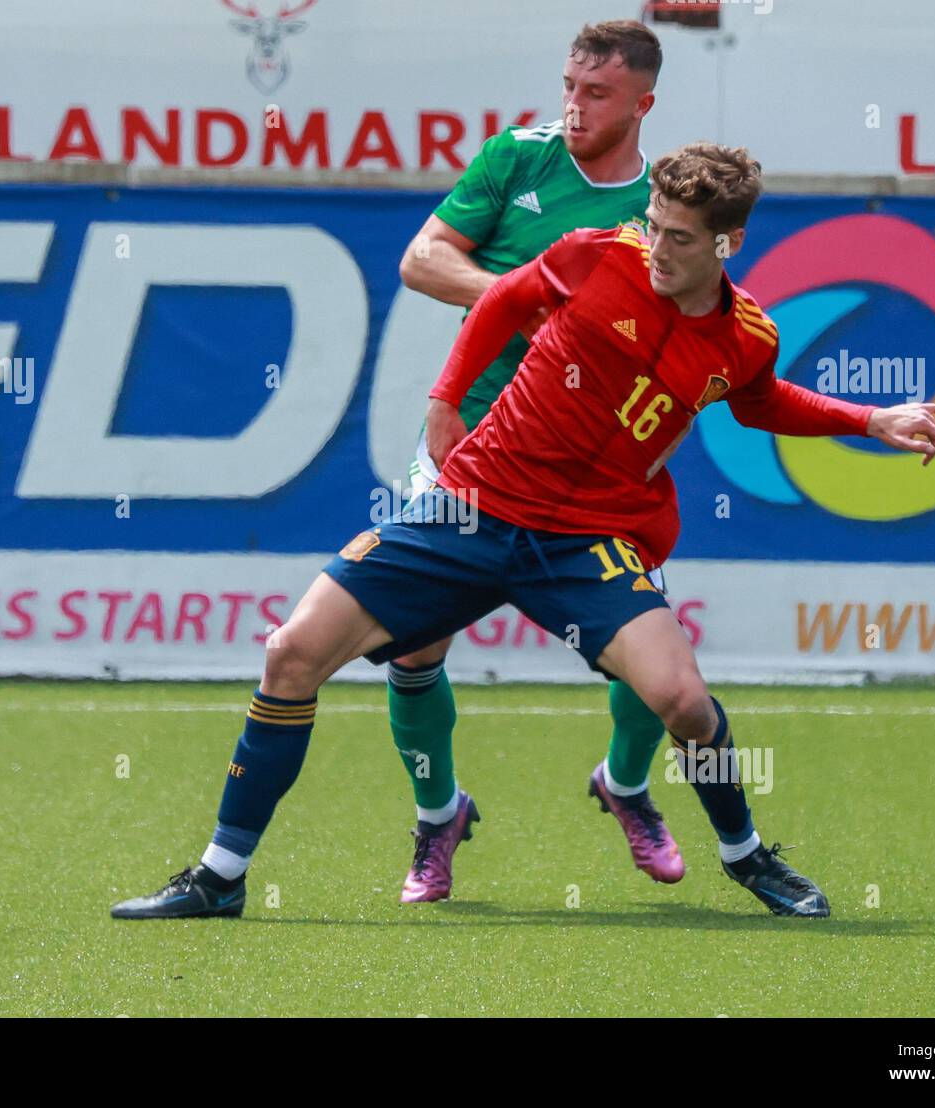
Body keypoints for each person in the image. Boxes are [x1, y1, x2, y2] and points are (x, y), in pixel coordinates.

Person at [112, 143, 935, 922]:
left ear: (728, 243)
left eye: (680, 238)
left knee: (685, 704)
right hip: (472, 505)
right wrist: (446, 400)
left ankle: (745, 855)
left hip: (586, 539)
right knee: (291, 654)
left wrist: (869, 416)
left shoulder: (744, 336)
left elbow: (762, 397)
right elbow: (504, 300)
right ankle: (220, 877)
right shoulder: (596, 254)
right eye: (654, 225)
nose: (657, 248)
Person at [393, 19, 683, 905]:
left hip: (591, 464)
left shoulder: (661, 209)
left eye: (596, 93)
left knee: (650, 661)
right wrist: (523, 296)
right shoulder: (519, 157)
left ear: (643, 103)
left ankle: (626, 786)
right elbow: (423, 258)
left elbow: (686, 338)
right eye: (569, 84)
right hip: (473, 443)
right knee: (414, 646)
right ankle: (439, 813)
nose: (574, 105)